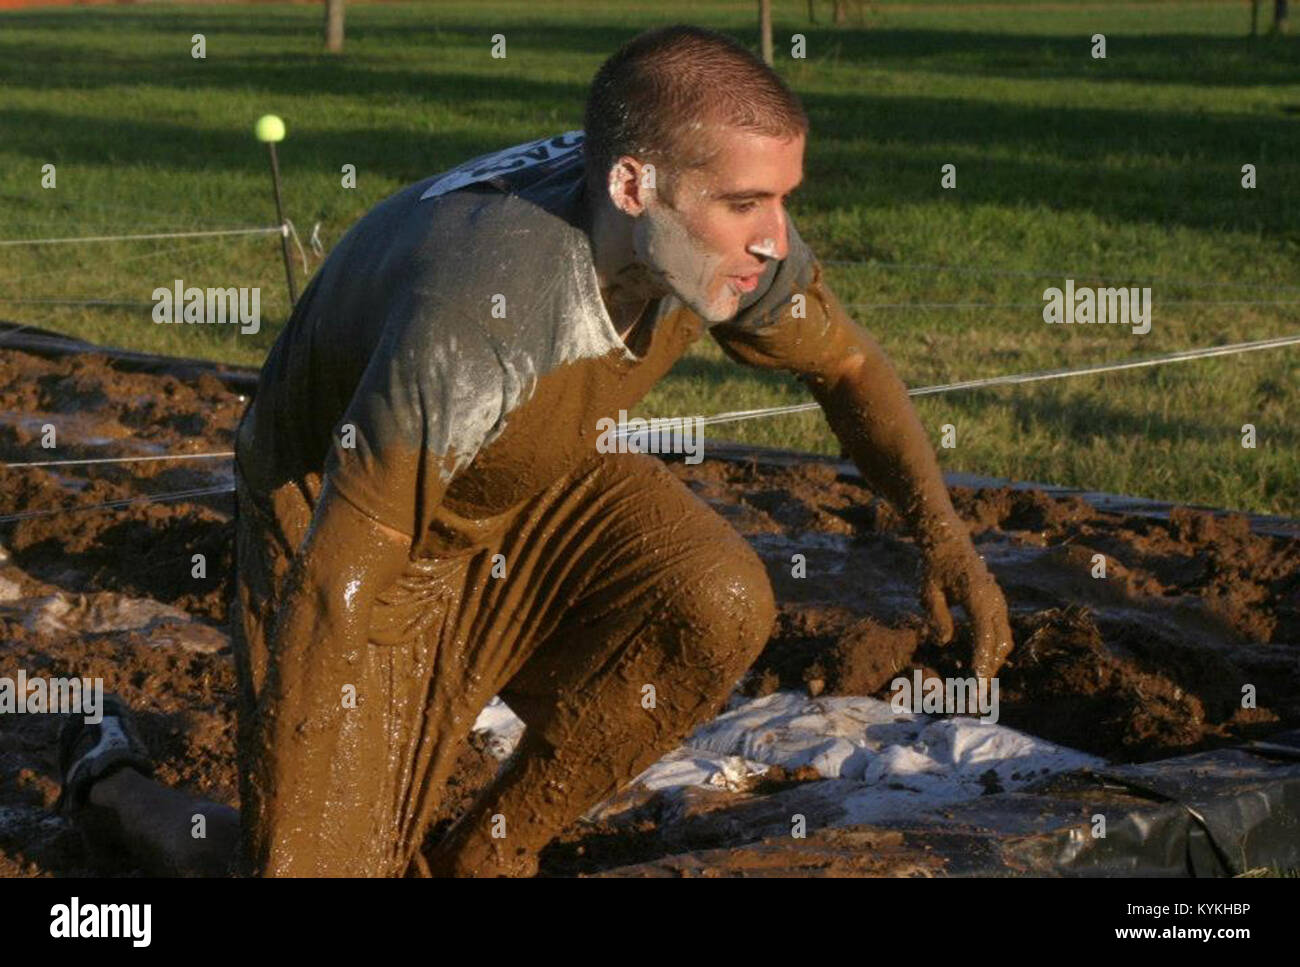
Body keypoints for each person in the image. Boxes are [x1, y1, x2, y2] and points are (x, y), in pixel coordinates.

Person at [56, 24, 1013, 878]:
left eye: (783, 199)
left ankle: (491, 850)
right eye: (744, 203)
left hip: (519, 464)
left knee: (715, 599)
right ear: (633, 185)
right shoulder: (482, 313)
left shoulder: (714, 241)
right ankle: (111, 785)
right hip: (343, 516)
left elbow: (845, 365)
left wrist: (946, 539)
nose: (775, 238)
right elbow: (337, 582)